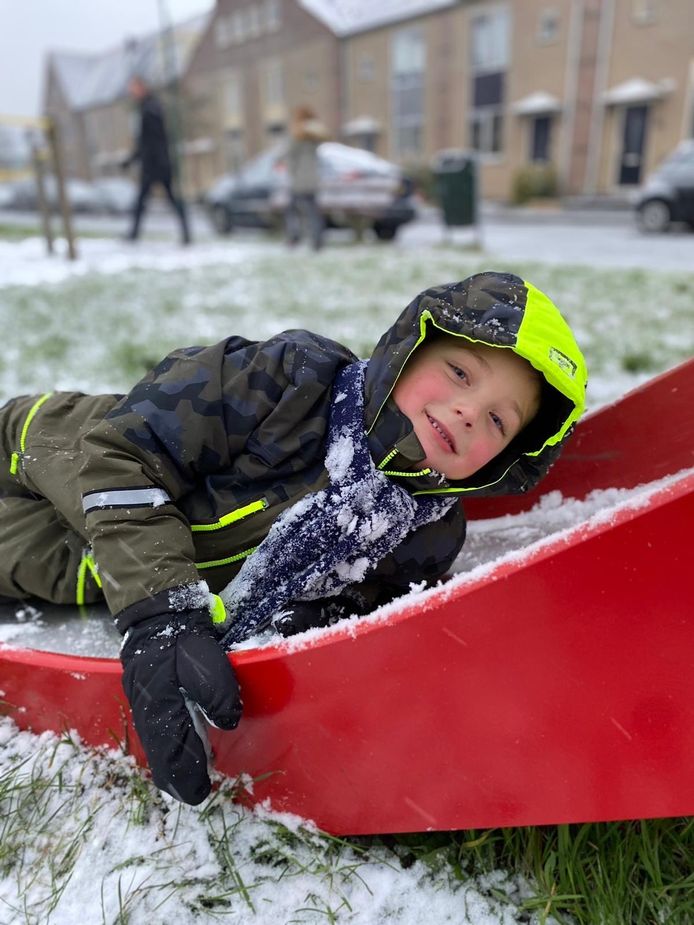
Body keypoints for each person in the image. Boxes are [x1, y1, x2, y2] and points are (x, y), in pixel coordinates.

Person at [0, 271, 586, 805]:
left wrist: (303, 633)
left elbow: (359, 609)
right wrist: (161, 614)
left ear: (508, 462)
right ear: (411, 348)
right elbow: (124, 454)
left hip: (91, 559)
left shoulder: (426, 535)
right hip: (70, 452)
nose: (465, 412)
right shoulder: (292, 380)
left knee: (24, 562)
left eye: (497, 422)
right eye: (460, 373)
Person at [121, 75, 191, 245]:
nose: (132, 92)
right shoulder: (147, 107)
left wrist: (137, 159)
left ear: (142, 87)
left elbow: (151, 141)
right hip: (155, 162)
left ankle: (185, 233)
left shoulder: (150, 109)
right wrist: (132, 159)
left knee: (162, 199)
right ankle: (135, 234)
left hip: (156, 164)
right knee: (147, 200)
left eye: (134, 88)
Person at [285, 105, 328, 250]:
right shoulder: (314, 136)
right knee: (313, 212)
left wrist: (291, 173)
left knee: (292, 210)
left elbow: (291, 157)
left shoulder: (297, 135)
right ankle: (317, 240)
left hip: (299, 181)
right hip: (313, 180)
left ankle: (294, 237)